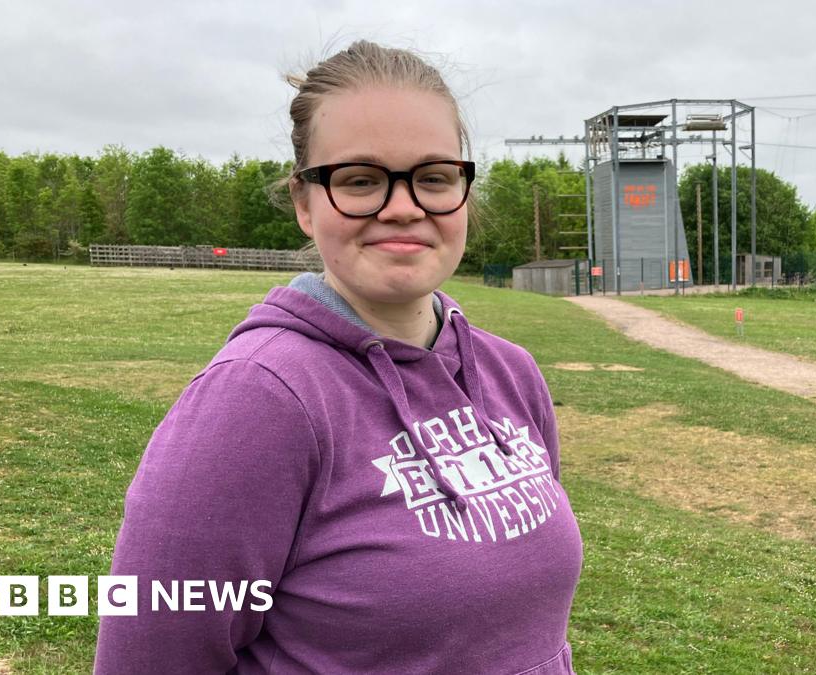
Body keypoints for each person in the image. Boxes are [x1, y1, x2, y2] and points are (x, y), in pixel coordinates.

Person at [94, 41, 584, 674]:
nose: (404, 206)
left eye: (433, 177)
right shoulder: (258, 399)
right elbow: (150, 658)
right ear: (304, 201)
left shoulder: (509, 373)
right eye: (360, 180)